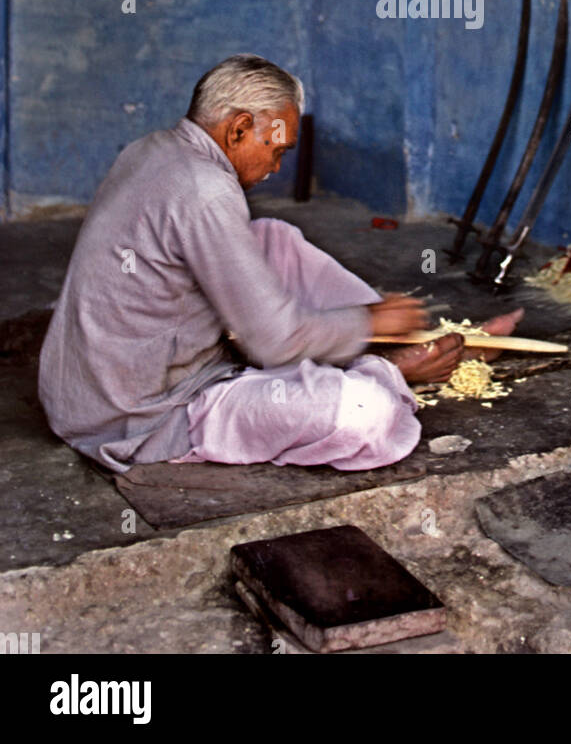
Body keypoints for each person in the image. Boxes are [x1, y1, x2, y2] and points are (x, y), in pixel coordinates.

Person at [39, 54, 521, 474]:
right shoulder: (207, 190)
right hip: (144, 417)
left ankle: (415, 342)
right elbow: (274, 342)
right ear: (239, 128)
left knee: (273, 238)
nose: (276, 166)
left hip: (79, 396)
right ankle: (394, 368)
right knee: (364, 411)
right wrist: (364, 320)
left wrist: (365, 320)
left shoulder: (150, 149)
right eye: (277, 148)